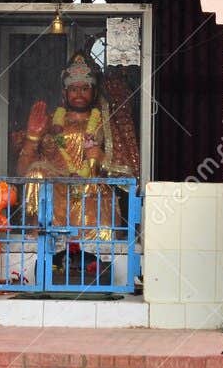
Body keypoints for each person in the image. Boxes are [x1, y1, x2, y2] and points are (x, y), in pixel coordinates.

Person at [16, 51, 138, 285]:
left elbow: (128, 171)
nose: (79, 94)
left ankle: (90, 263)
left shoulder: (106, 123)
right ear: (64, 93)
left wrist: (101, 158)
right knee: (37, 173)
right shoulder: (51, 121)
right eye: (73, 89)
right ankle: (42, 234)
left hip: (91, 191)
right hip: (57, 189)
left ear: (94, 91)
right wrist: (32, 137)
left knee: (97, 211)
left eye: (84, 88)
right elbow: (22, 171)